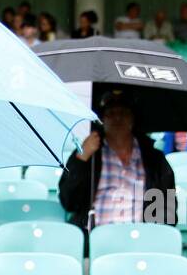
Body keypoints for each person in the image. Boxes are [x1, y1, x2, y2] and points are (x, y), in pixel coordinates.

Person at [58, 89, 177, 231]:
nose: (117, 119)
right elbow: (69, 202)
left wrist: (151, 234)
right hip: (95, 239)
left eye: (123, 113)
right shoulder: (89, 155)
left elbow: (167, 211)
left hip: (141, 241)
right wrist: (81, 159)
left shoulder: (155, 159)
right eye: (111, 114)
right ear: (102, 119)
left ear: (133, 118)